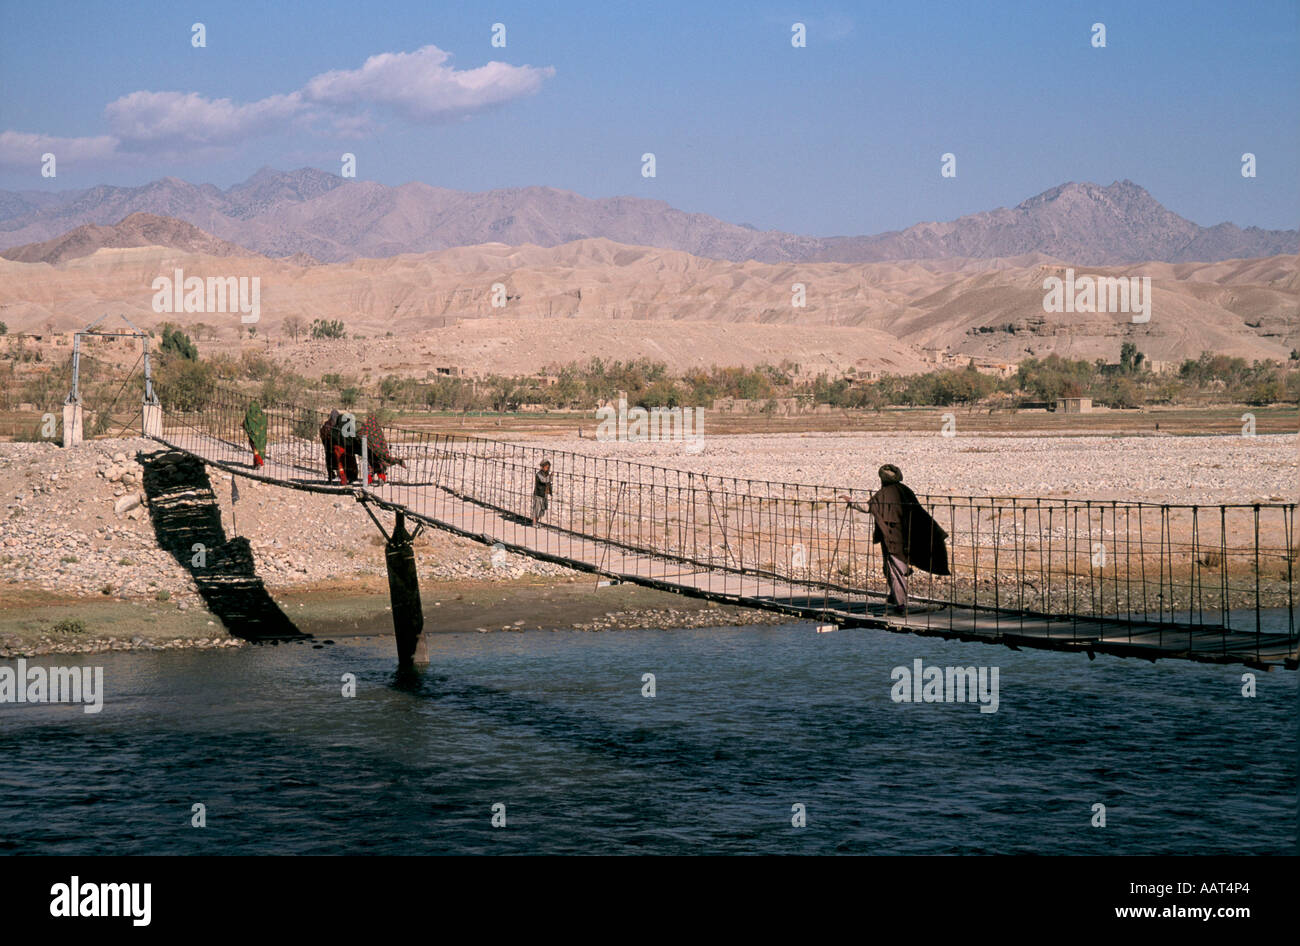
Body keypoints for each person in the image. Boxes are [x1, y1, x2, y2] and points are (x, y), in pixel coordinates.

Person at [840, 464, 949, 613]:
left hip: (892, 540)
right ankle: (894, 596)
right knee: (889, 568)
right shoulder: (906, 491)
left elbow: (868, 508)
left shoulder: (883, 494)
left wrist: (851, 502)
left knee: (895, 571)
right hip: (906, 537)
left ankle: (900, 604)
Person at [356, 412, 405, 483]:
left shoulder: (367, 429)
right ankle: (380, 478)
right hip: (378, 451)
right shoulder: (377, 429)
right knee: (379, 464)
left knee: (371, 465)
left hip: (371, 451)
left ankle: (370, 480)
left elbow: (360, 434)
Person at [320, 409, 360, 484]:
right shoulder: (339, 426)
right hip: (337, 448)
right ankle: (349, 477)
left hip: (331, 449)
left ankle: (333, 477)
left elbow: (323, 435)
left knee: (332, 460)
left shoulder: (328, 425)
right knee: (347, 460)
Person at [242, 401, 267, 469]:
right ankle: (257, 463)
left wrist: (245, 426)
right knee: (259, 448)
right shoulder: (262, 415)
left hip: (253, 435)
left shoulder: (249, 415)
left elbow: (246, 424)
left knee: (255, 449)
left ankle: (257, 462)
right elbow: (264, 424)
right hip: (262, 436)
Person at [531, 459, 552, 526]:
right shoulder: (538, 474)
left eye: (548, 467)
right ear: (542, 467)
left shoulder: (546, 474)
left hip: (544, 494)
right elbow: (543, 480)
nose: (547, 468)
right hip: (538, 494)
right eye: (546, 467)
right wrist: (550, 477)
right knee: (537, 509)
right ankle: (534, 523)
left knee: (542, 509)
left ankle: (537, 522)